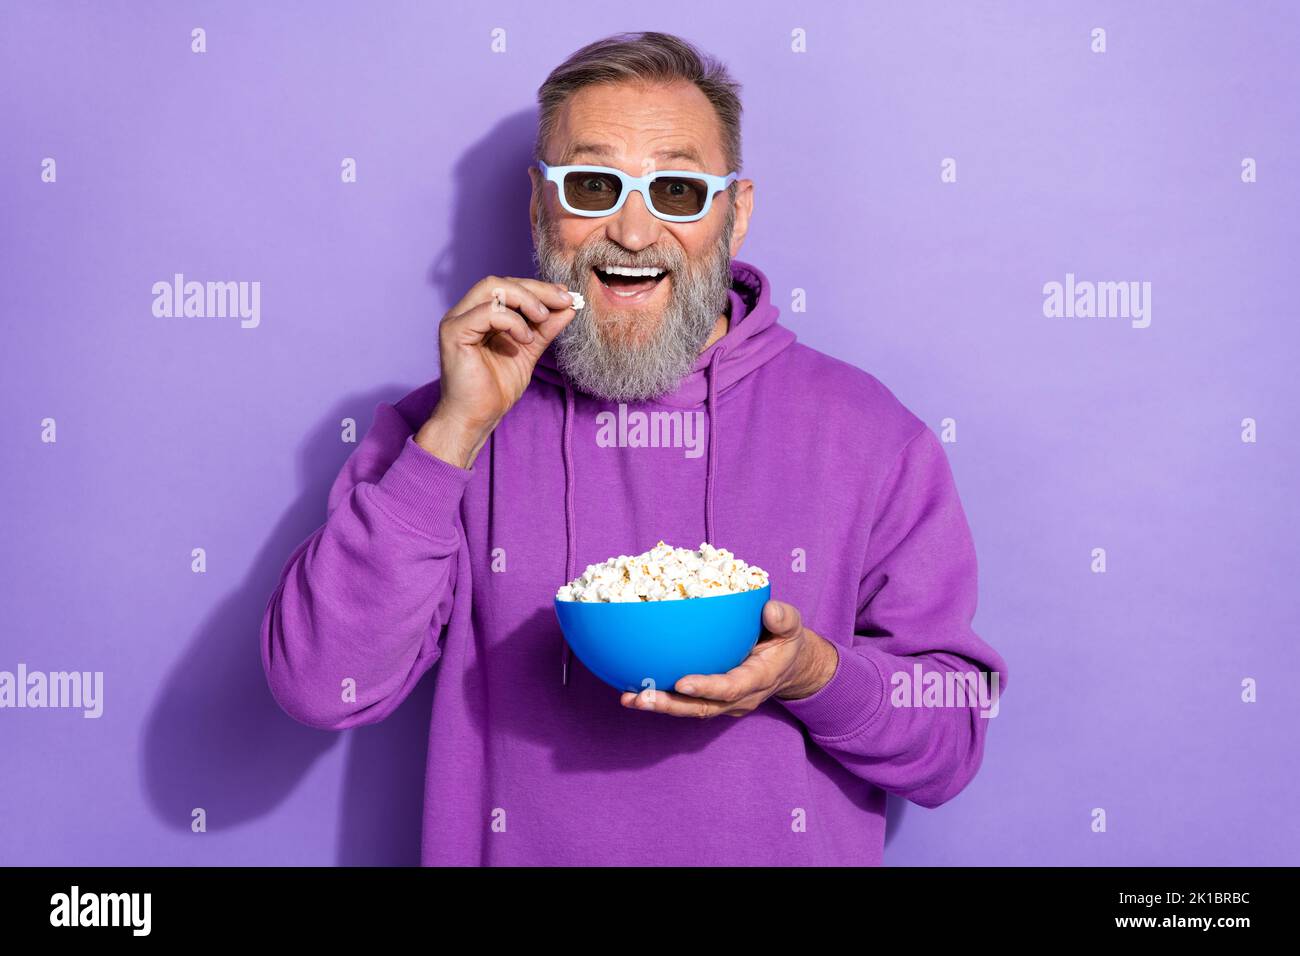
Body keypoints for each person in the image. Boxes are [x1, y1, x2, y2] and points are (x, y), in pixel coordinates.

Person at [260, 30, 1009, 866]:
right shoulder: (443, 431)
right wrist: (452, 438)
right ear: (539, 203)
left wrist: (814, 673)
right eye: (592, 184)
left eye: (679, 191)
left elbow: (949, 746)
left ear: (738, 210)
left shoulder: (868, 434)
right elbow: (321, 687)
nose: (632, 227)